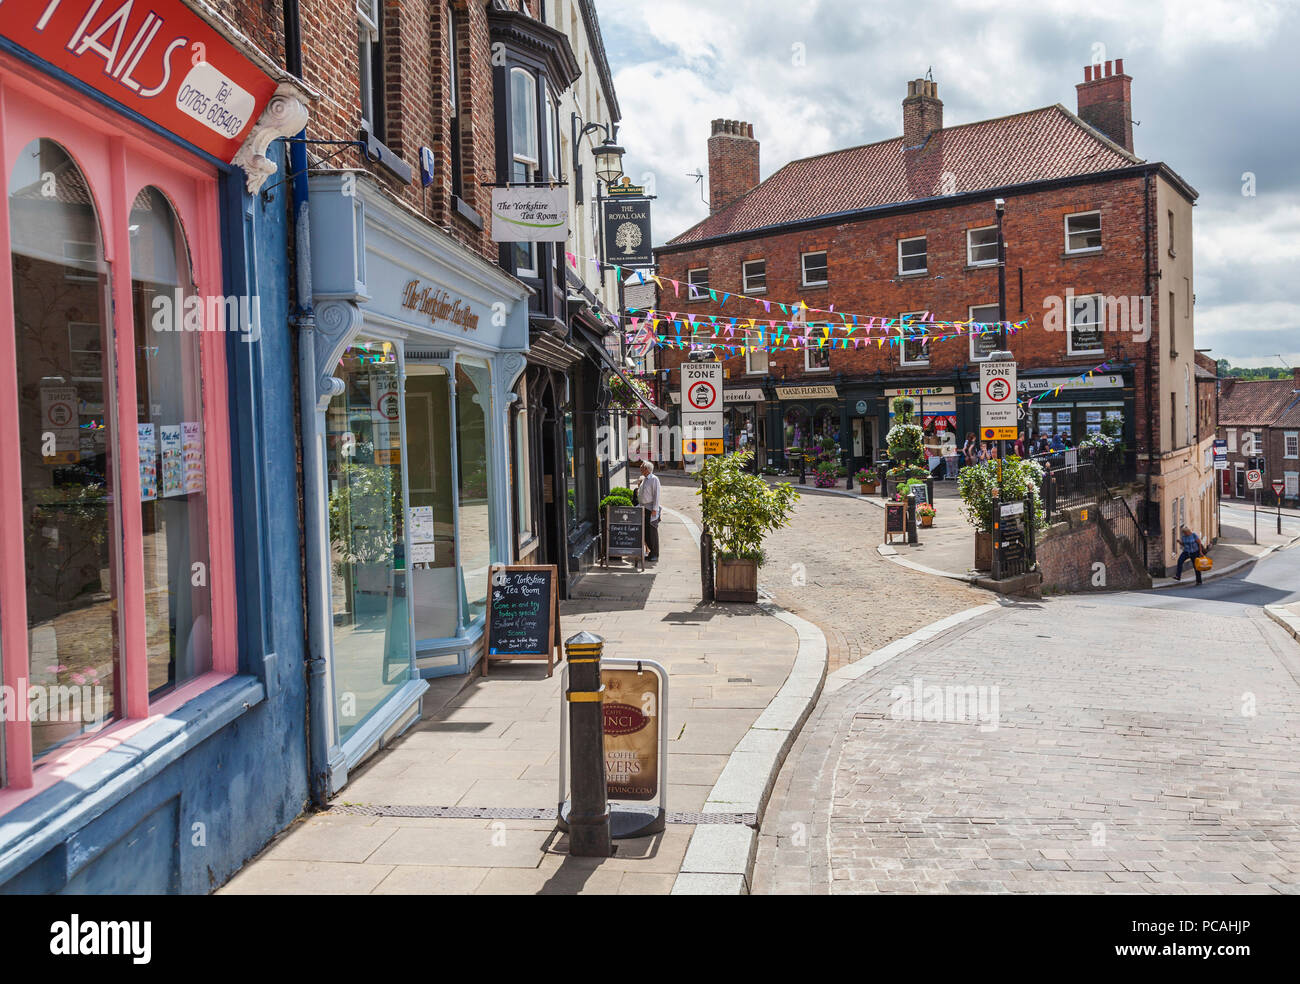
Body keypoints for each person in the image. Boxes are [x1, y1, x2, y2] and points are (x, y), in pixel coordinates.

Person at [637, 459, 662, 562]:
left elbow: (657, 495)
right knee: (646, 532)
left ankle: (655, 554)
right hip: (643, 508)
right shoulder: (645, 479)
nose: (640, 468)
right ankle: (651, 552)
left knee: (652, 532)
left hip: (650, 509)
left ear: (647, 469)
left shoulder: (654, 479)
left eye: (642, 467)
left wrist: (655, 509)